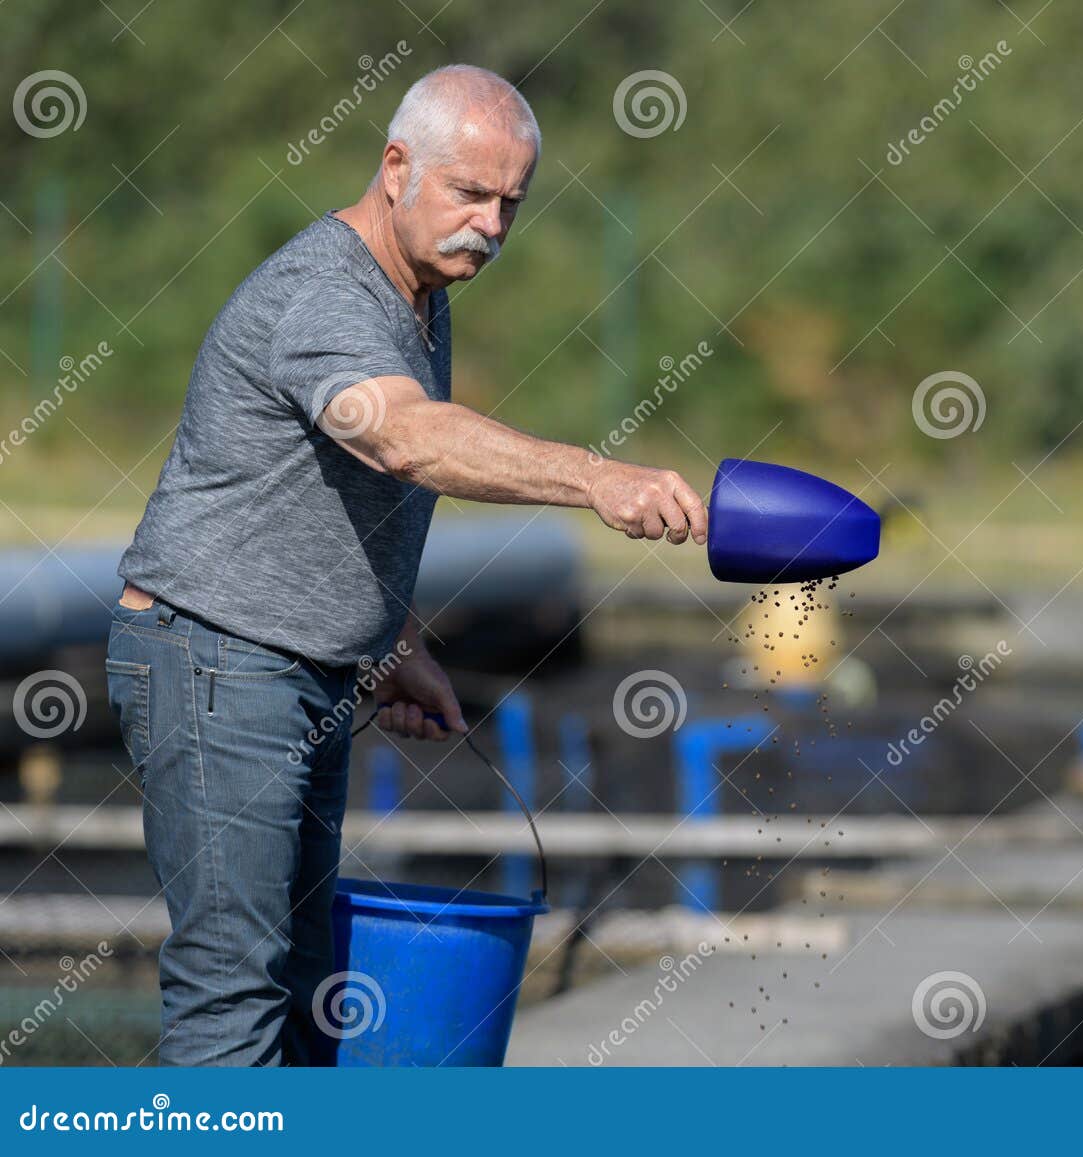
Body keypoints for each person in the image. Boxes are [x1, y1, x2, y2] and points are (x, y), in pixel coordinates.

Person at [105, 63, 706, 1066]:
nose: (492, 226)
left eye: (510, 202)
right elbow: (404, 440)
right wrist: (594, 477)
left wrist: (393, 638)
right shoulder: (323, 294)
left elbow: (337, 497)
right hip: (214, 664)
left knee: (303, 985)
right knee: (231, 990)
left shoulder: (419, 291)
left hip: (304, 669)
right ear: (395, 167)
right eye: (470, 193)